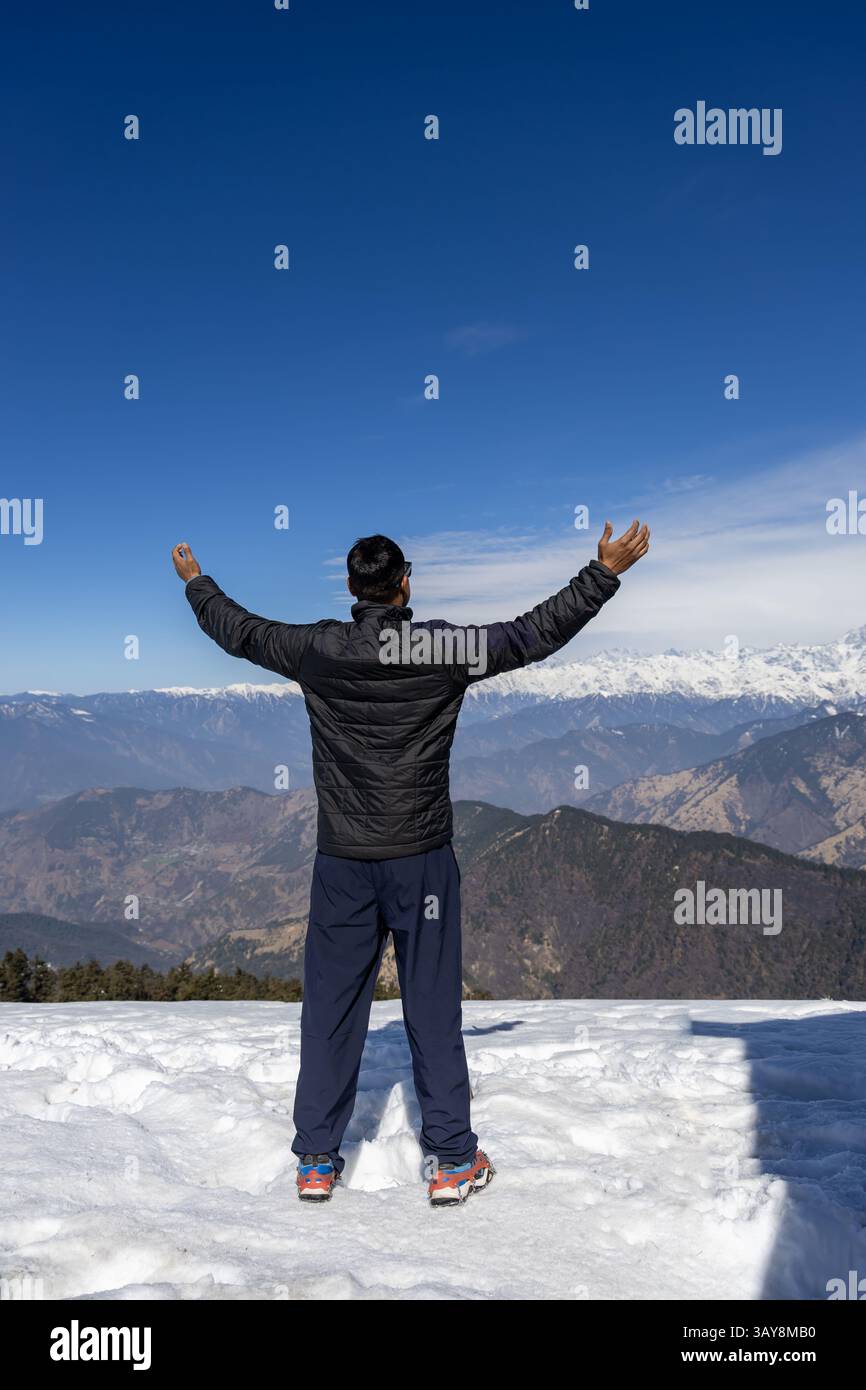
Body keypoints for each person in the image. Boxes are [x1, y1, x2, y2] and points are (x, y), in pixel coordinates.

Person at [172, 519, 650, 1205]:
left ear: (349, 587)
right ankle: (452, 1159)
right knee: (431, 1007)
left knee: (331, 1010)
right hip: (421, 859)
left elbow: (240, 631)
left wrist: (197, 585)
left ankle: (315, 1158)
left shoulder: (315, 650)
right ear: (405, 584)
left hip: (343, 862)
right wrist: (602, 574)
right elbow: (530, 634)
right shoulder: (440, 647)